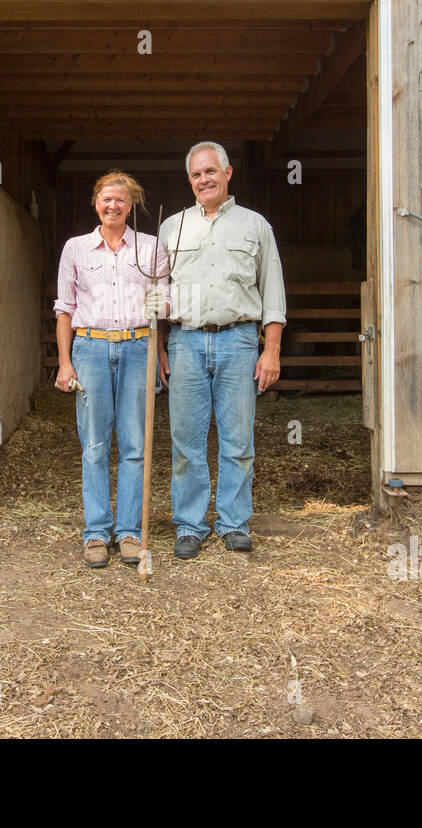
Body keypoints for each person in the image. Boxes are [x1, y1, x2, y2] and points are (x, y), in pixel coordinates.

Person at [157, 141, 286, 559]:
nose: (203, 180)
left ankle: (233, 523)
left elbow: (273, 292)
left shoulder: (255, 226)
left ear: (228, 173)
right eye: (196, 175)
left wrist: (271, 351)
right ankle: (190, 525)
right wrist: (158, 348)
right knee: (186, 441)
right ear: (189, 180)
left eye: (210, 172)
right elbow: (157, 294)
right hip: (186, 342)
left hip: (239, 339)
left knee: (237, 439)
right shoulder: (172, 227)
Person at [54, 171, 169, 569]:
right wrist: (65, 362)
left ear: (131, 204)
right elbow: (64, 309)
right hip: (90, 347)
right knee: (95, 445)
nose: (113, 206)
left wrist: (162, 309)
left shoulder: (152, 248)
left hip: (139, 347)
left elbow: (166, 301)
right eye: (106, 199)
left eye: (121, 200)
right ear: (95, 203)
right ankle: (96, 534)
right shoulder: (76, 249)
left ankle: (129, 533)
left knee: (136, 443)